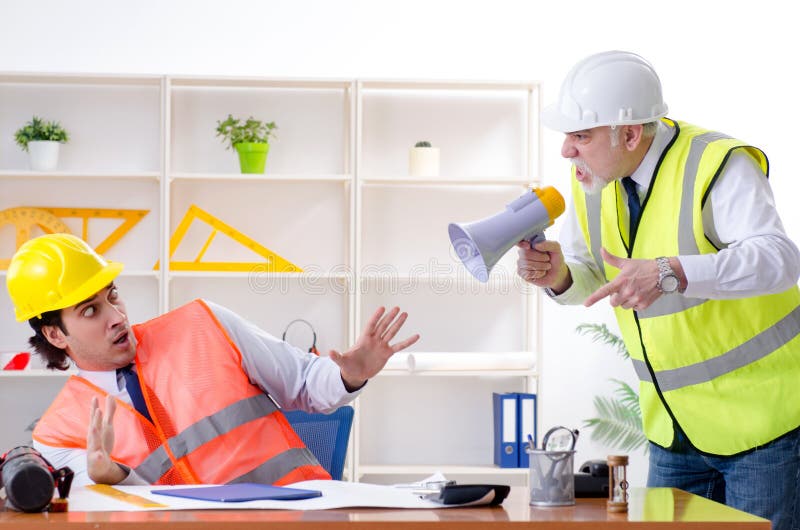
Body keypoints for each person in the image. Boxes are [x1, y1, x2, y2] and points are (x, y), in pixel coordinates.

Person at [517, 50, 800, 529]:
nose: (567, 150)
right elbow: (592, 272)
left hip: (763, 429)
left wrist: (672, 271)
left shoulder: (715, 164)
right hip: (674, 431)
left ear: (629, 133)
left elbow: (780, 260)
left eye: (580, 135)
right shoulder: (594, 176)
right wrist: (558, 275)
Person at [6, 233, 419, 488]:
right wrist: (111, 476)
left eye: (112, 295)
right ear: (55, 334)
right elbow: (112, 508)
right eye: (90, 311)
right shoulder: (56, 435)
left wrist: (350, 374)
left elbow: (306, 382)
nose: (117, 317)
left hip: (299, 515)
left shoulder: (205, 323)